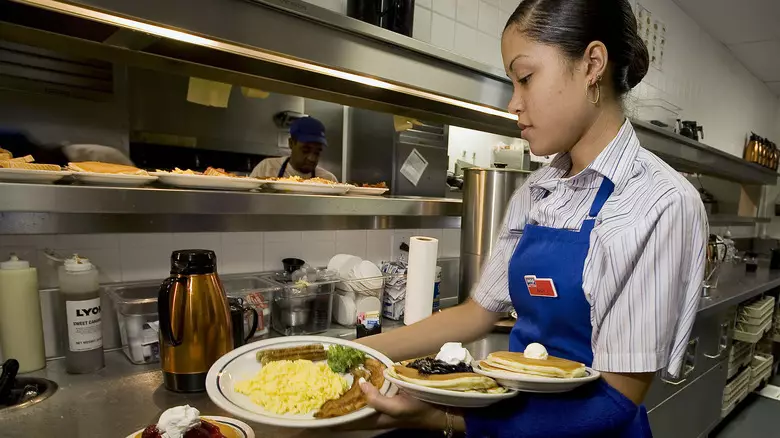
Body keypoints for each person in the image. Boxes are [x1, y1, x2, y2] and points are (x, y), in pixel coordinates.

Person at [357, 0, 707, 437]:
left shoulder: (660, 202)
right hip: (508, 421)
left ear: (592, 65)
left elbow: (618, 399)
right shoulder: (538, 191)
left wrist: (448, 419)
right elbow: (476, 314)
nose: (513, 103)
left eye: (524, 79)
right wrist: (352, 351)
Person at [249, 116, 338, 181]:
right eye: (305, 150)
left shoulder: (328, 180)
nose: (312, 158)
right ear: (291, 143)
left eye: (317, 152)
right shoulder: (267, 169)